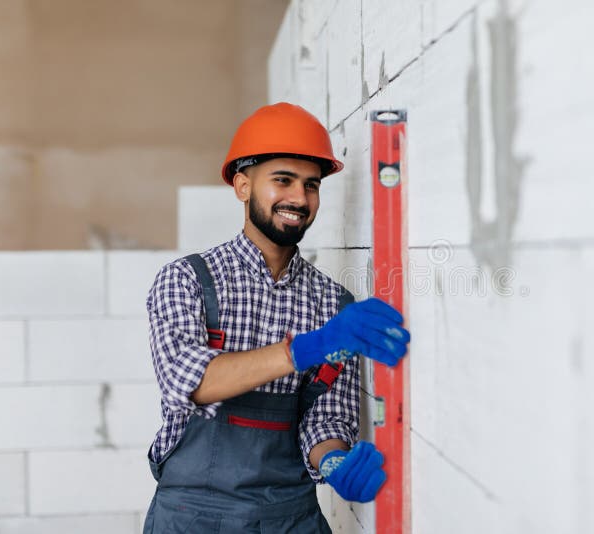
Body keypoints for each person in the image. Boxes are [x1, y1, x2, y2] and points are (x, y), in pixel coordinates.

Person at [141, 102, 410, 533]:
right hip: (191, 518)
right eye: (283, 180)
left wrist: (336, 461)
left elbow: (324, 418)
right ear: (243, 186)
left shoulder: (333, 304)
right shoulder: (187, 280)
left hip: (291, 519)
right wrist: (308, 347)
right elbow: (190, 382)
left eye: (311, 185)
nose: (299, 199)